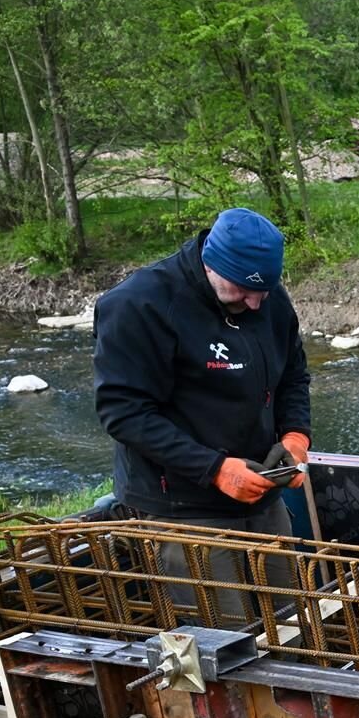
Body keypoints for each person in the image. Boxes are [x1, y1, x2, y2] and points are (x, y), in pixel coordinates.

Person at [93, 207, 311, 621]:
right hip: (184, 506)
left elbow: (293, 377)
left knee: (290, 618)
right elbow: (123, 413)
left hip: (261, 492)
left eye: (264, 291)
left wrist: (295, 436)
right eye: (243, 291)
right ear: (212, 265)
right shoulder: (138, 306)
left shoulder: (268, 299)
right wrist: (213, 469)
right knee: (226, 636)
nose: (255, 302)